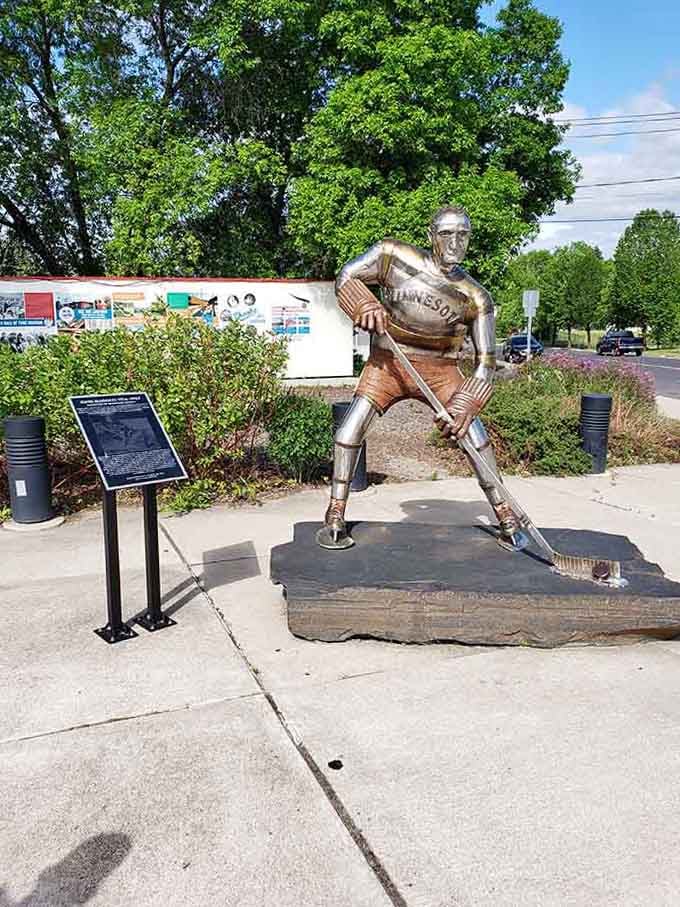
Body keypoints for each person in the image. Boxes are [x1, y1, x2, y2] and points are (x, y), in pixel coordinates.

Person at [317, 204, 527, 551]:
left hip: (442, 372)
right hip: (388, 364)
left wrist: (466, 404)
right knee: (348, 432)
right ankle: (335, 513)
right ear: (431, 236)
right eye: (446, 234)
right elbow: (346, 276)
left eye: (463, 235)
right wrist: (364, 304)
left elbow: (486, 361)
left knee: (476, 440)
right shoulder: (392, 256)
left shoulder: (476, 297)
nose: (455, 243)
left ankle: (505, 514)